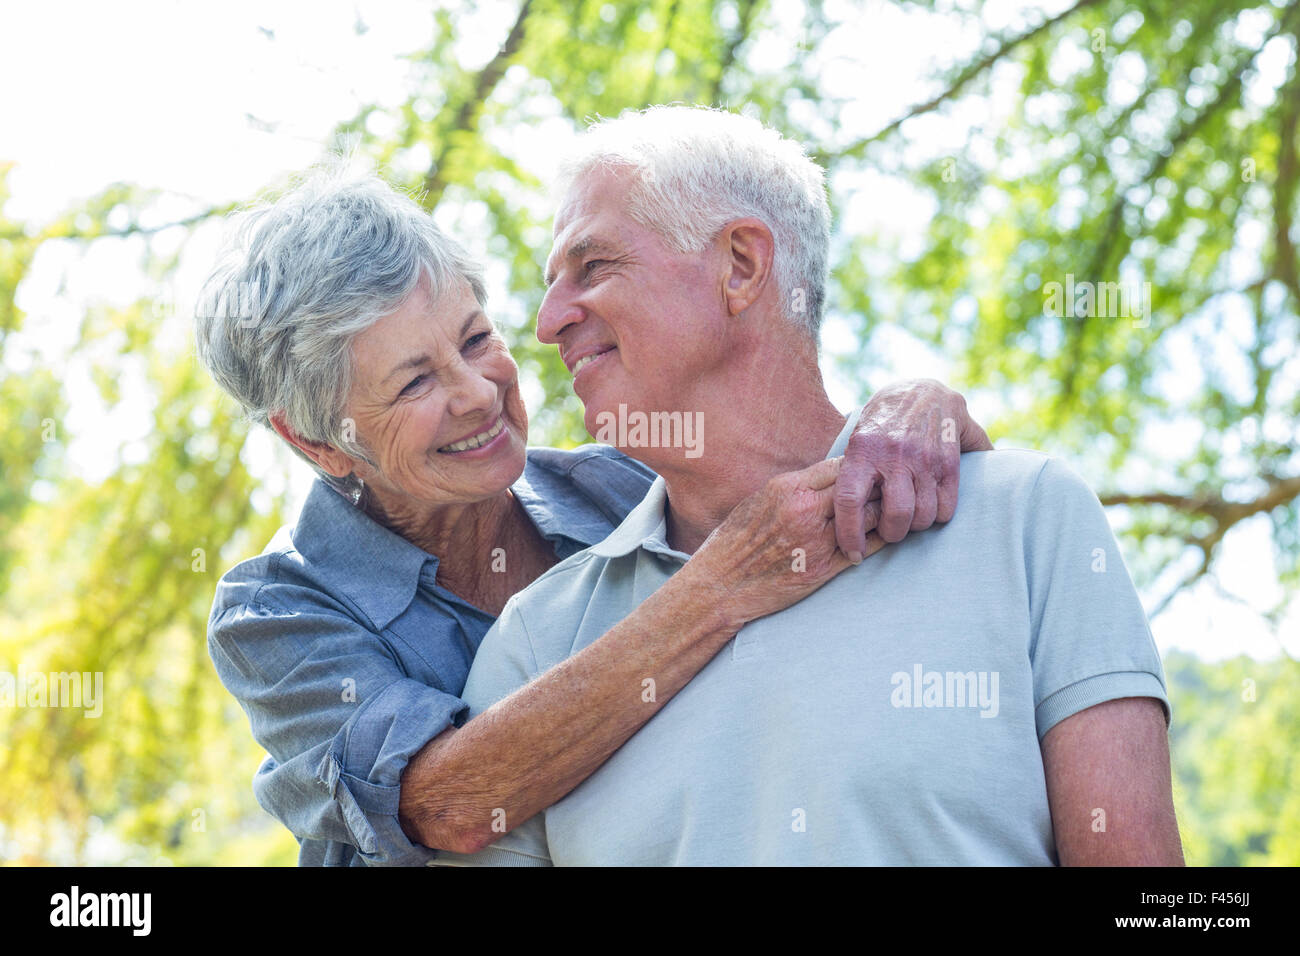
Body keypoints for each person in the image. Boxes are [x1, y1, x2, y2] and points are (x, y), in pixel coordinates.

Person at [437, 105, 1184, 866]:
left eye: (591, 267)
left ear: (740, 266)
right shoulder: (537, 642)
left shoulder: (1025, 521)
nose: (546, 321)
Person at [195, 166, 993, 866]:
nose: (477, 393)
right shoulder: (278, 609)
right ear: (315, 440)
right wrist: (716, 588)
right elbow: (448, 805)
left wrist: (910, 410)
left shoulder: (617, 483)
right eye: (413, 384)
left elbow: (801, 480)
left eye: (476, 340)